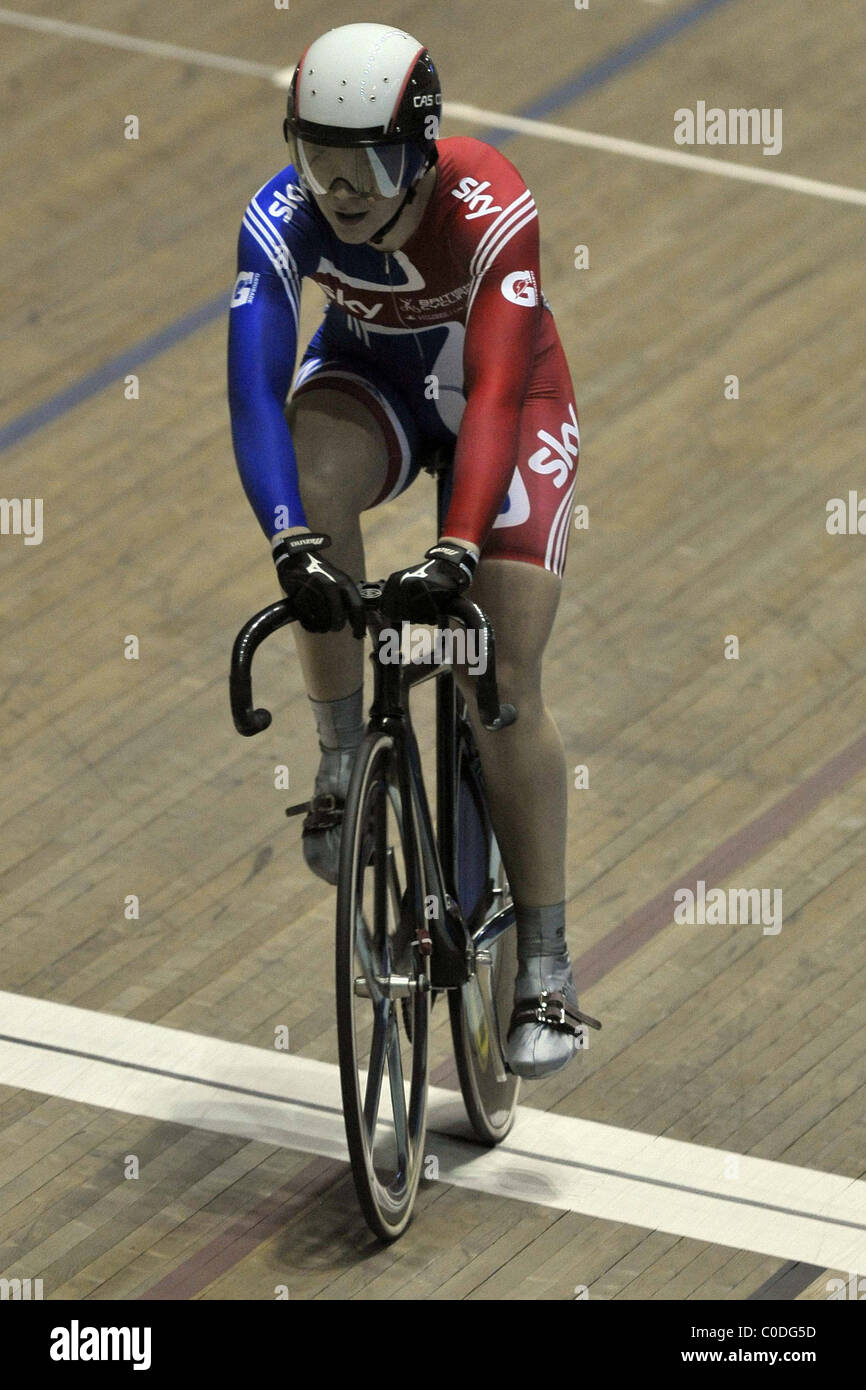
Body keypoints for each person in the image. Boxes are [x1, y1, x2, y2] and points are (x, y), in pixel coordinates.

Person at [227, 22, 591, 1078]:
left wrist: (457, 547)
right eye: (317, 160)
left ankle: (548, 969)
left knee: (500, 674)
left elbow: (489, 399)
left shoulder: (488, 205)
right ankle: (344, 754)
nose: (337, 192)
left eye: (367, 166)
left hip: (502, 400)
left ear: (420, 150)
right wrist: (291, 540)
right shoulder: (281, 216)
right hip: (372, 383)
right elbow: (254, 387)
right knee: (312, 490)